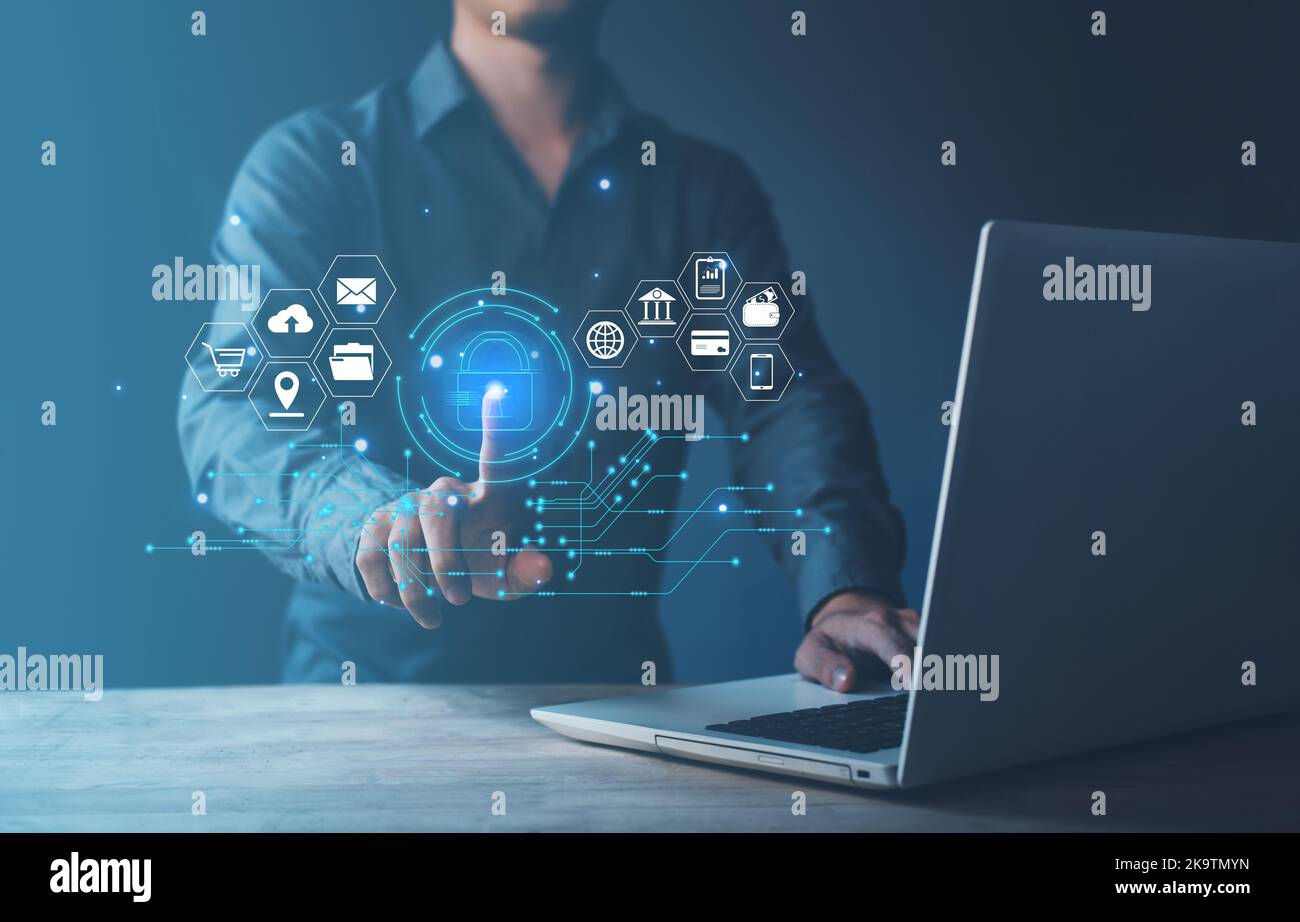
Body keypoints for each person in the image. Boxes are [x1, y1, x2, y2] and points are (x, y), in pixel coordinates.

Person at [179, 0, 918, 690]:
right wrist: (377, 520)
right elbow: (234, 411)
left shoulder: (701, 192)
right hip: (359, 714)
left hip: (617, 720)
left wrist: (845, 589)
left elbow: (785, 400)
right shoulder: (315, 165)